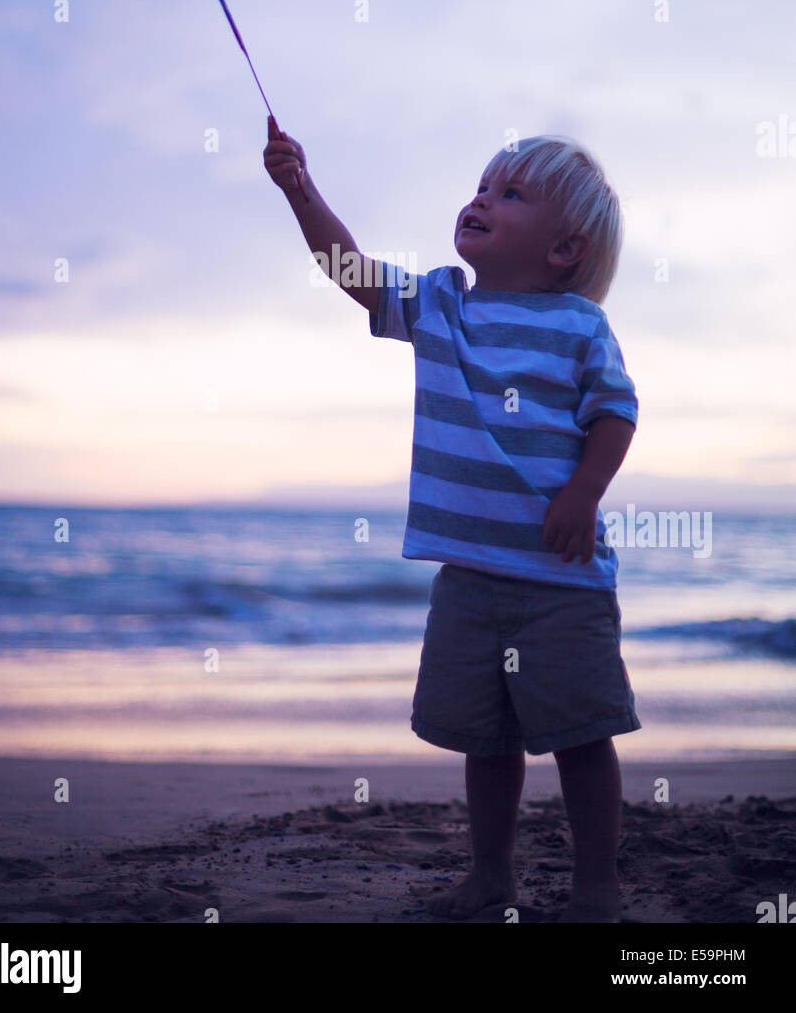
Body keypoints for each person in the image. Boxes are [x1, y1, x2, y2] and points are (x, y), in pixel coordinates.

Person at [264, 116, 640, 923]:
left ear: (564, 249)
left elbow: (615, 414)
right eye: (480, 186)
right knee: (488, 738)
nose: (480, 200)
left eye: (509, 194)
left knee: (582, 734)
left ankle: (598, 886)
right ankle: (491, 872)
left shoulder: (580, 327)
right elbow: (348, 269)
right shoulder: (439, 304)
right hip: (468, 577)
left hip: (560, 581)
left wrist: (583, 492)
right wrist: (300, 189)